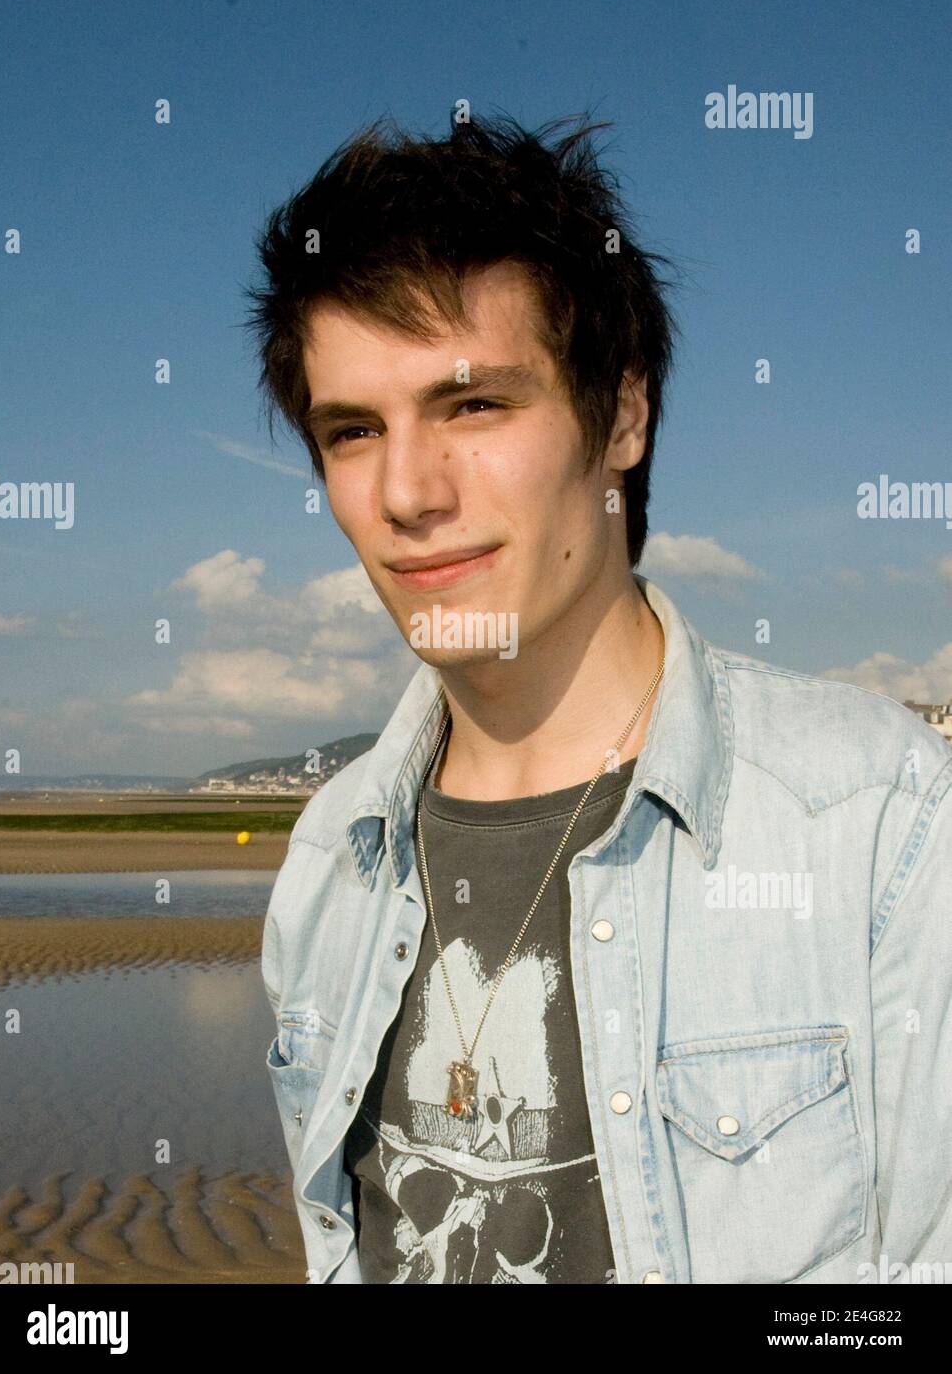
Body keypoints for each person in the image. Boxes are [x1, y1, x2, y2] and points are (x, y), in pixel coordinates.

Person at [244, 111, 952, 1284]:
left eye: (473, 405)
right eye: (354, 429)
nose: (407, 492)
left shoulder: (884, 827)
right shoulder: (334, 857)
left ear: (621, 414)